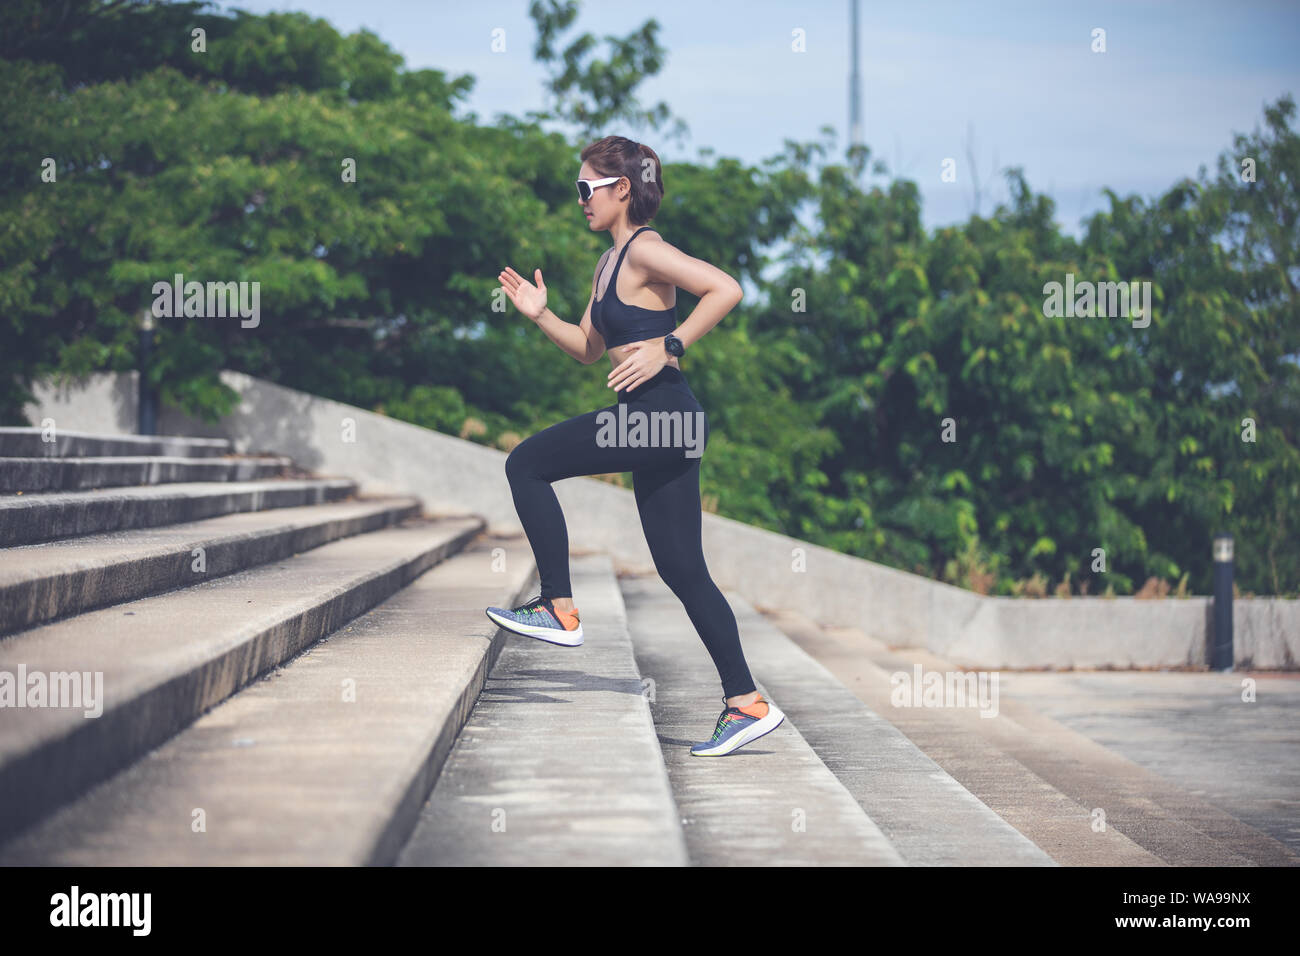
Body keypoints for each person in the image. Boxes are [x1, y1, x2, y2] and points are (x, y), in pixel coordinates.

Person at [484, 135, 784, 757]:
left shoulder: (647, 249)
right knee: (682, 568)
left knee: (527, 463)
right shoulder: (607, 264)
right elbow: (590, 349)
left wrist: (670, 344)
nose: (579, 201)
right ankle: (746, 701)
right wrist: (541, 315)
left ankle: (560, 608)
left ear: (622, 189)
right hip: (660, 425)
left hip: (662, 416)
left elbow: (726, 288)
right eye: (577, 190)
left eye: (586, 189)